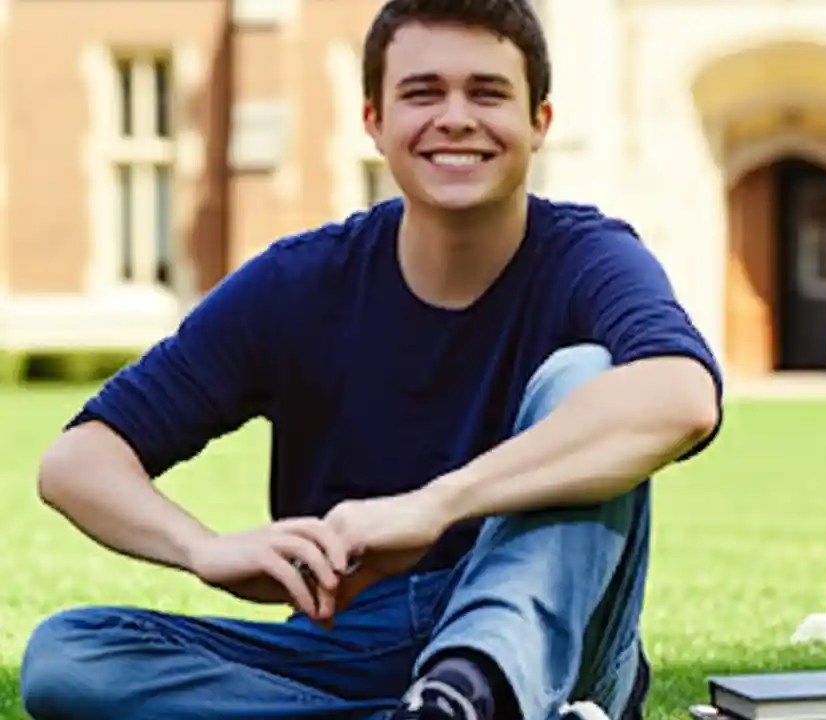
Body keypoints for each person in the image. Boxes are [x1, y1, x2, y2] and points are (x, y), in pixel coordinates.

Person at [17, 0, 723, 718]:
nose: (455, 117)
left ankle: (475, 686)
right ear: (373, 122)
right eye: (422, 93)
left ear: (539, 122)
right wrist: (202, 548)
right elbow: (77, 462)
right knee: (70, 656)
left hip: (556, 637)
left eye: (487, 92)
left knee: (586, 377)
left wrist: (433, 506)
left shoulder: (588, 256)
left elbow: (680, 395)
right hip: (346, 644)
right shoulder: (300, 282)